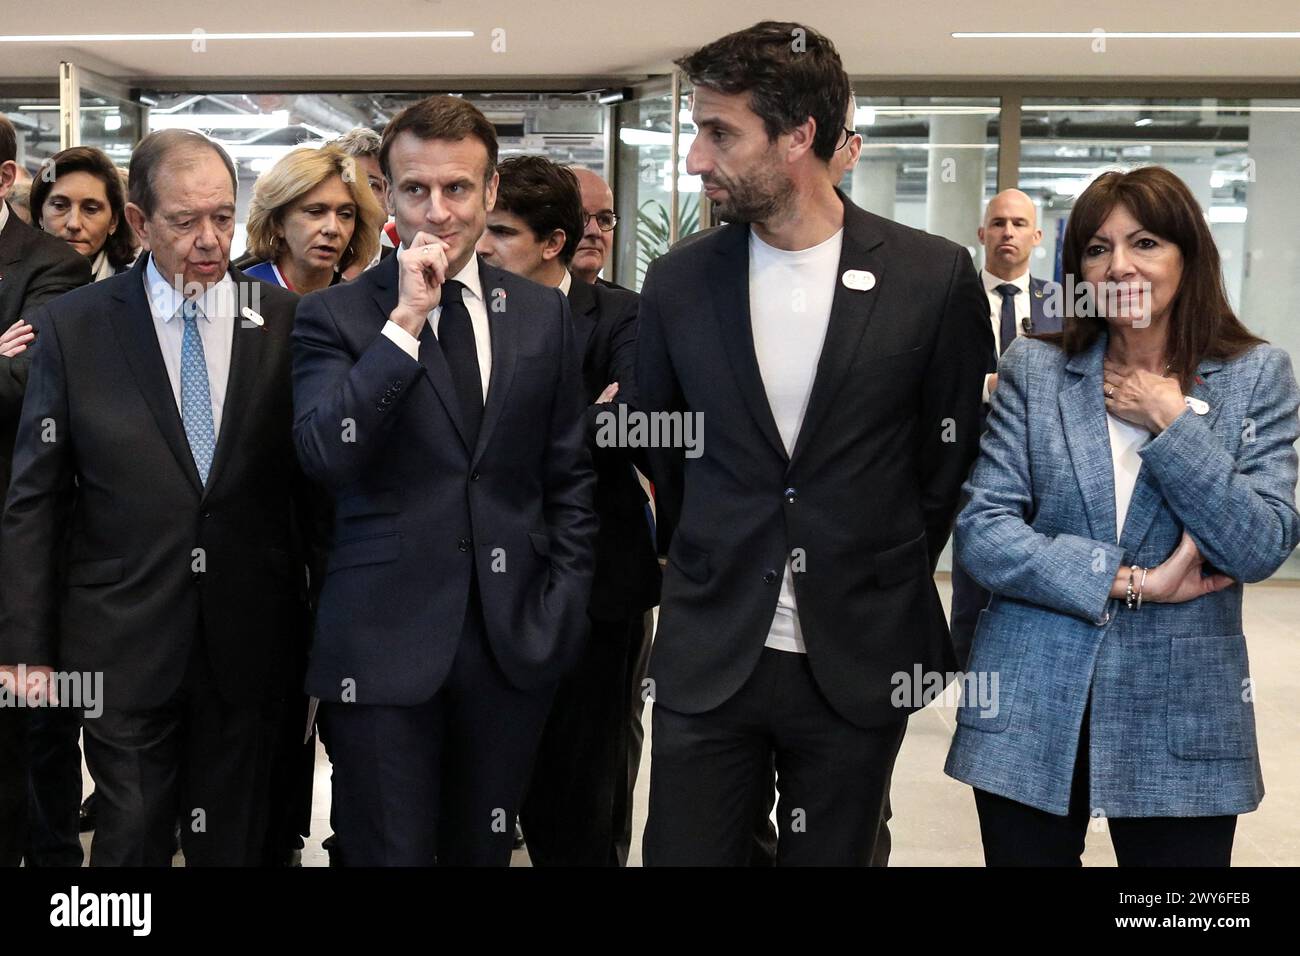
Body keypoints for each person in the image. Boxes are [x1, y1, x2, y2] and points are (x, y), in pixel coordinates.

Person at [637, 21, 990, 866]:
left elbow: (946, 464)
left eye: (719, 132)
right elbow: (661, 447)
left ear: (800, 136)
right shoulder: (680, 279)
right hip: (712, 646)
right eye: (697, 130)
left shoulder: (930, 277)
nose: (694, 159)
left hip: (858, 652)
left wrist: (868, 557)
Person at [945, 165, 1300, 867]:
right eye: (1097, 248)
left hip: (1184, 712)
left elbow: (1260, 543)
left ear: (1187, 256)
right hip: (1031, 701)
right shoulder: (1035, 368)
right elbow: (984, 533)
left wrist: (1170, 421)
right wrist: (1130, 580)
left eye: (1145, 243)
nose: (1120, 266)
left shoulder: (1256, 374)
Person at [292, 95, 597, 866]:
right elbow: (327, 453)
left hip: (511, 644)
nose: (439, 209)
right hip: (382, 649)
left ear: (491, 193)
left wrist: (559, 605)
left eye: (458, 189)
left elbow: (567, 475)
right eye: (415, 189)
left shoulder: (539, 315)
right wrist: (405, 325)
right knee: (385, 852)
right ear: (386, 197)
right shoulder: (335, 317)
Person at [0, 129, 316, 866]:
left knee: (232, 840)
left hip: (248, 639)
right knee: (131, 835)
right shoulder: (75, 326)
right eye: (185, 220)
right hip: (121, 636)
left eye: (222, 217)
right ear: (139, 223)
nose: (209, 240)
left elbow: (309, 497)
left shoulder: (282, 326)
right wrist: (24, 649)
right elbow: (34, 500)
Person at [476, 155, 660, 866]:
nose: (481, 245)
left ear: (553, 243)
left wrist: (516, 435)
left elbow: (635, 424)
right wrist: (586, 416)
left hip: (597, 594)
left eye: (500, 231)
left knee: (582, 798)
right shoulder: (464, 311)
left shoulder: (621, 314)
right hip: (487, 587)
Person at [0, 115, 92, 869]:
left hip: (23, 537)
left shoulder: (50, 265)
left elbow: (19, 387)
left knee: (36, 729)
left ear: (6, 180)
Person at [948, 189, 1062, 668]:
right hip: (969, 458)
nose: (1007, 233)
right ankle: (974, 688)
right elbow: (936, 378)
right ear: (982, 234)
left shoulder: (1059, 305)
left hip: (1044, 466)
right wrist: (989, 386)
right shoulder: (952, 300)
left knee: (1037, 578)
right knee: (974, 579)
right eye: (998, 223)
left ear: (1036, 236)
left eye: (1018, 224)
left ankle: (1026, 679)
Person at [242, 146, 383, 294]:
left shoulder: (358, 301)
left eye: (345, 214)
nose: (332, 228)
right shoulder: (242, 294)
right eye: (315, 212)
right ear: (277, 222)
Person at [32, 146, 137, 282]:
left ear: (113, 221)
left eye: (91, 209)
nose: (74, 224)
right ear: (40, 214)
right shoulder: (13, 282)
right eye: (59, 206)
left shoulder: (137, 289)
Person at [568, 167, 629, 291]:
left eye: (605, 219)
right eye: (579, 217)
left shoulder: (630, 307)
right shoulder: (522, 304)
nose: (595, 231)